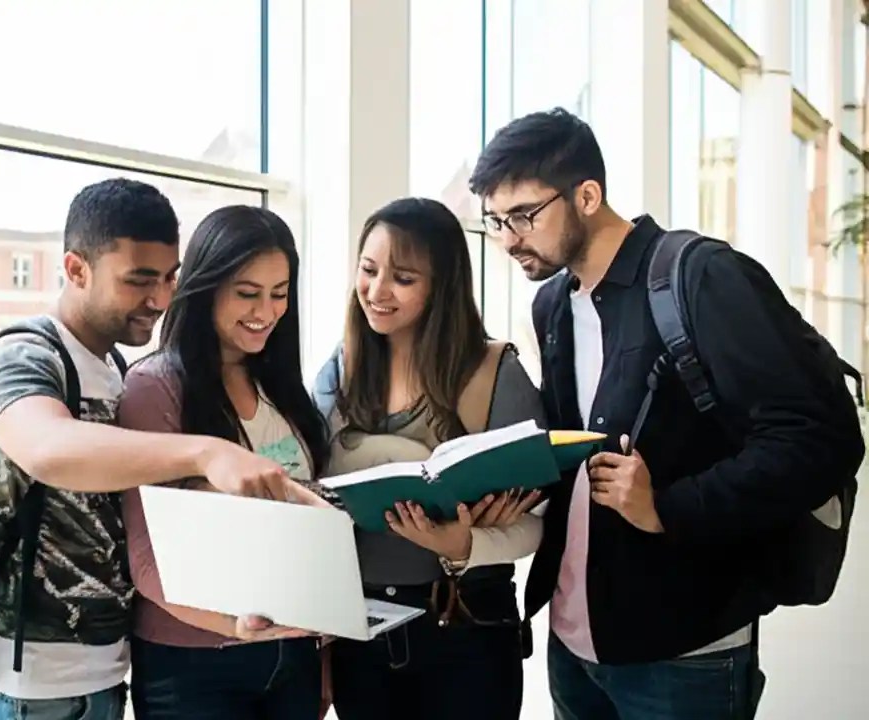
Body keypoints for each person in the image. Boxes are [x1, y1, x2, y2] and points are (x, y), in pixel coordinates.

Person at [468, 107, 865, 720]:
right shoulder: (553, 306)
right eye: (496, 220)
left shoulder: (700, 277)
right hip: (573, 643)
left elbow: (819, 438)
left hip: (687, 652)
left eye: (523, 215)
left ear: (587, 195)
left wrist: (666, 508)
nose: (509, 238)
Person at [0, 179, 318, 720]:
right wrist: (207, 454)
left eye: (169, 279)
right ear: (76, 270)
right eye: (139, 281)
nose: (161, 299)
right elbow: (48, 447)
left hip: (100, 675)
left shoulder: (114, 372)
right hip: (18, 688)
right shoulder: (22, 355)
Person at [311, 197, 546, 720]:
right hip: (362, 625)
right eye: (368, 271)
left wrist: (462, 544)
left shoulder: (494, 373)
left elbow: (537, 521)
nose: (377, 292)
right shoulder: (342, 367)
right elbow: (306, 478)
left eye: (403, 278)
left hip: (465, 623)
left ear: (442, 284)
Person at [116, 205, 330, 719]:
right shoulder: (156, 388)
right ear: (204, 287)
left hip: (293, 652)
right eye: (247, 293)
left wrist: (322, 656)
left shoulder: (282, 388)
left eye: (279, 294)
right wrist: (236, 624)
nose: (267, 311)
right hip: (193, 663)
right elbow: (147, 562)